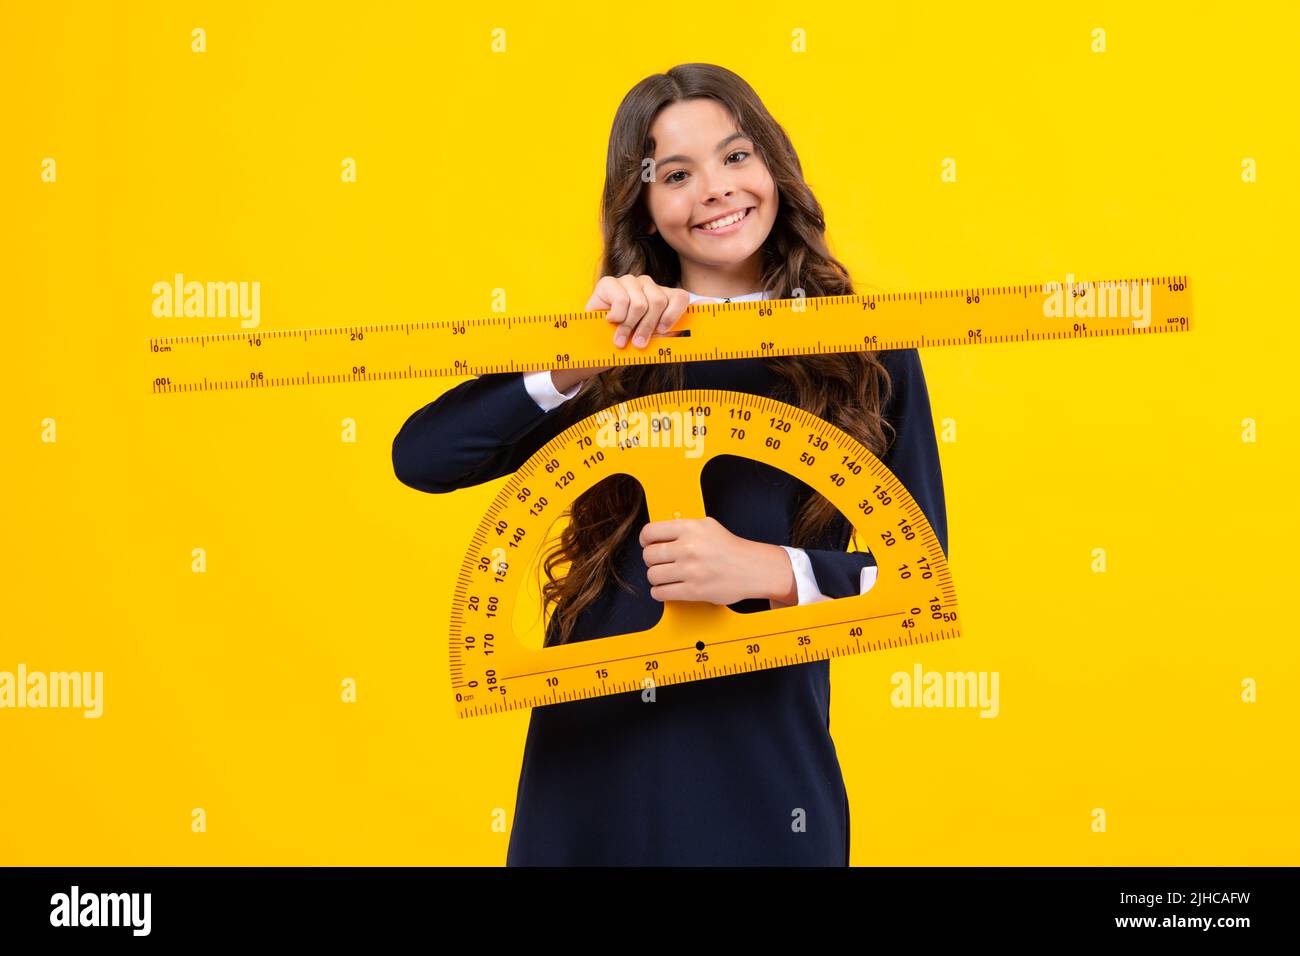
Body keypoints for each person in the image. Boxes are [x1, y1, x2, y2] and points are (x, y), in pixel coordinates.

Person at [391, 63, 948, 866]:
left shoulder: (869, 346)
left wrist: (767, 568)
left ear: (775, 168)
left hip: (762, 767)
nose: (716, 190)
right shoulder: (617, 344)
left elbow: (919, 584)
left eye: (735, 157)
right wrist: (576, 360)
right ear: (644, 207)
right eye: (676, 175)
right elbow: (425, 457)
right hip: (592, 754)